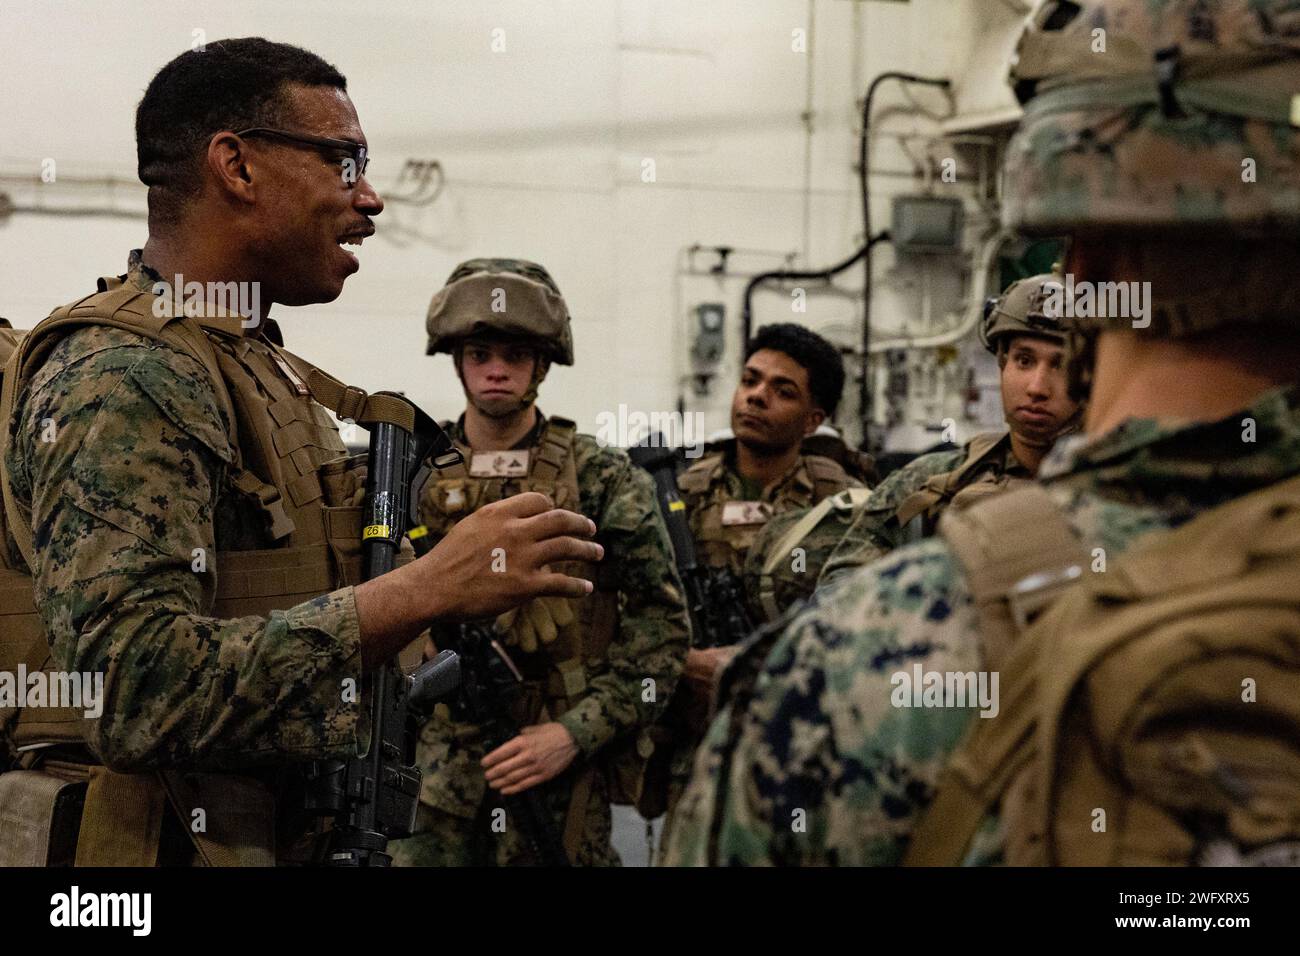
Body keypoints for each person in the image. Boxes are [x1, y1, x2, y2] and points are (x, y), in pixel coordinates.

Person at [662, 0, 1300, 866]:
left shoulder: (871, 651)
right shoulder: (917, 499)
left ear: (1086, 269)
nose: (1033, 383)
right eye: (1017, 360)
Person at [0, 39, 599, 866]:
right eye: (343, 160)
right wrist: (424, 588)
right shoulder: (125, 373)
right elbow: (130, 693)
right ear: (237, 167)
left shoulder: (251, 360)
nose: (371, 197)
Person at [386, 258, 688, 866]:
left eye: (516, 354)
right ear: (456, 359)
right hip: (429, 770)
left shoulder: (601, 476)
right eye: (479, 353)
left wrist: (576, 733)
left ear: (542, 365)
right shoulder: (406, 471)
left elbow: (664, 627)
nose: (496, 369)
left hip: (556, 769)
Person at [649, 323, 861, 833]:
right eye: (750, 380)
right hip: (698, 747)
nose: (756, 397)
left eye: (781, 390)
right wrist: (684, 662)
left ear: (813, 421)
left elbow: (862, 623)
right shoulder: (678, 494)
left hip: (805, 744)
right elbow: (638, 612)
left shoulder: (844, 504)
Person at [816, 271, 1081, 589]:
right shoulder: (929, 482)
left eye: (1060, 365)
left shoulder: (1119, 489)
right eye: (1024, 361)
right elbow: (840, 587)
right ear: (1002, 363)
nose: (1037, 387)